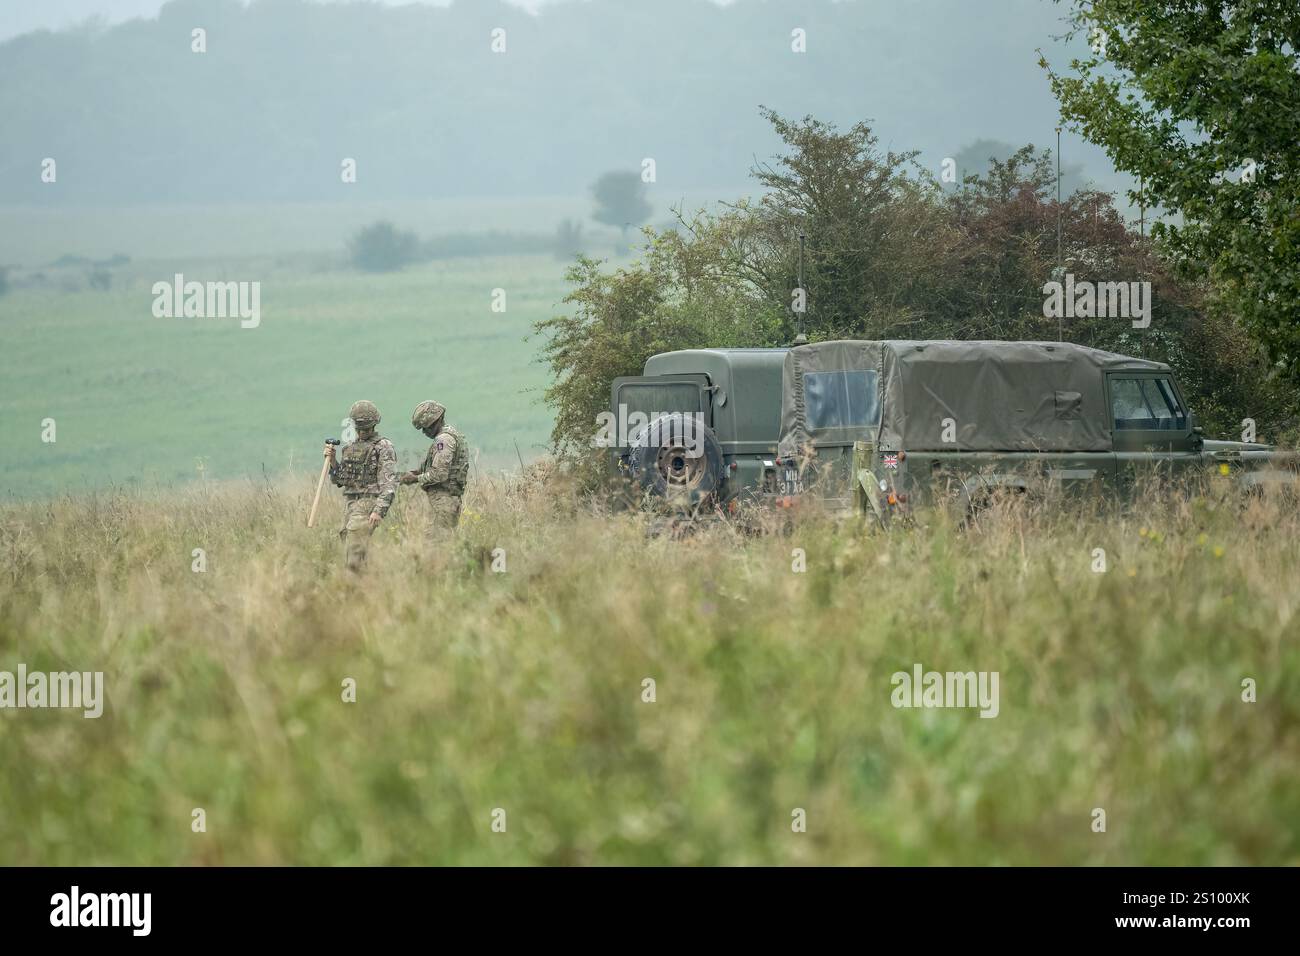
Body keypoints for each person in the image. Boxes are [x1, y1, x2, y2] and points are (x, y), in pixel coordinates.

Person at [325, 400, 397, 571]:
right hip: (351, 505)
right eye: (360, 427)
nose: (363, 431)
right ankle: (367, 590)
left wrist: (379, 510)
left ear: (373, 425)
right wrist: (333, 460)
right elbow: (340, 480)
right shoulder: (350, 448)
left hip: (367, 503)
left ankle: (354, 590)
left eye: (366, 428)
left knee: (354, 560)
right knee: (351, 550)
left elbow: (389, 482)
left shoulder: (383, 447)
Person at [400, 400, 469, 543]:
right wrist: (418, 472)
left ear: (438, 420)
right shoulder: (449, 436)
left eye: (427, 427)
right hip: (446, 500)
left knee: (436, 545)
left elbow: (440, 474)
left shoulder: (443, 440)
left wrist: (415, 479)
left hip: (443, 501)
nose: (425, 432)